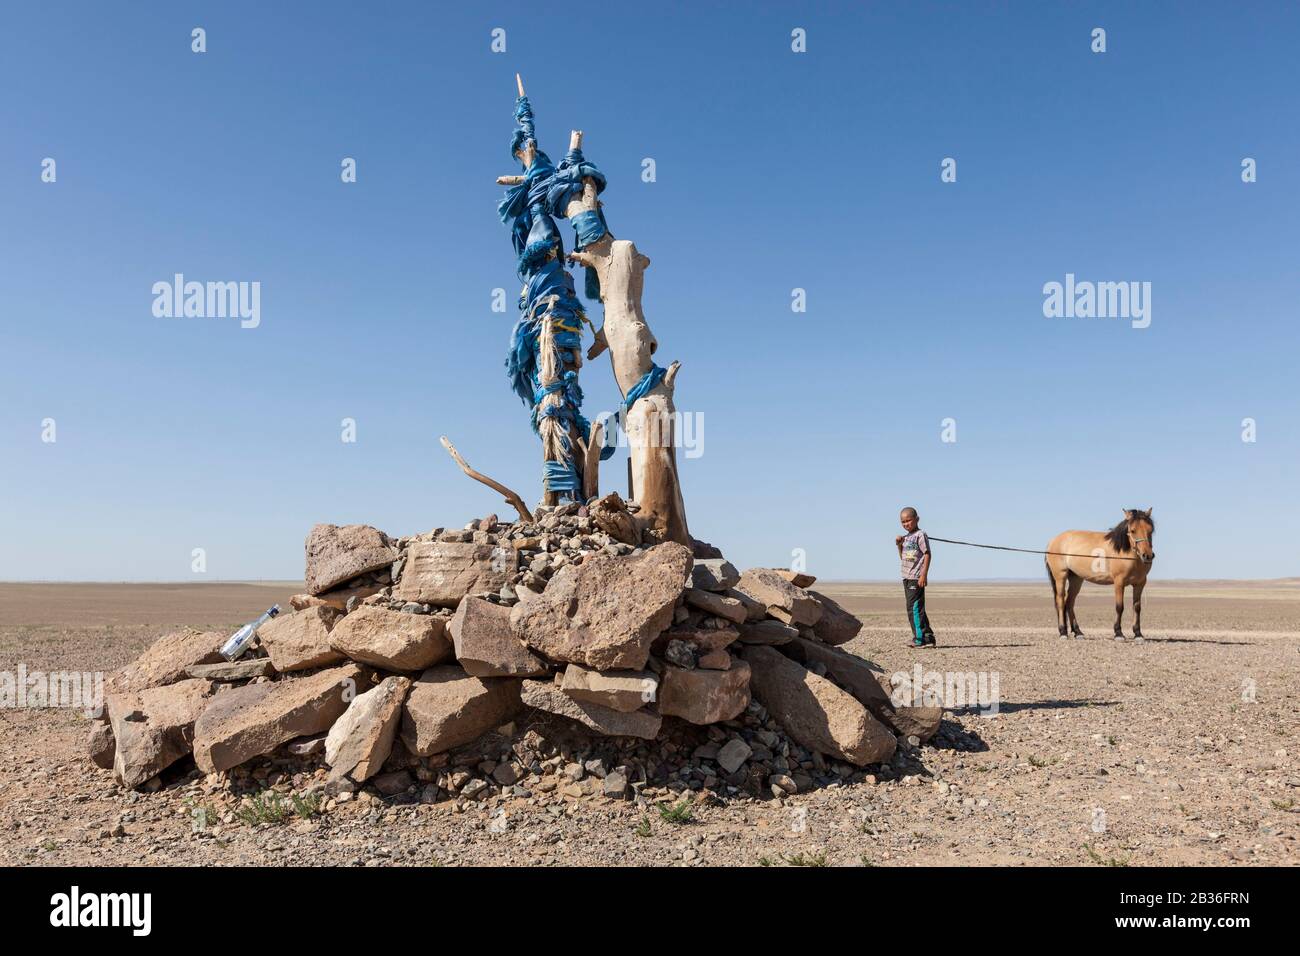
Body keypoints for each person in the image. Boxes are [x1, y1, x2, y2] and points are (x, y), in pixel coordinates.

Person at [895, 507, 936, 647]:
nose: (906, 524)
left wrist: (923, 574)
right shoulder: (905, 538)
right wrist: (899, 545)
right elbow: (903, 558)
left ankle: (919, 639)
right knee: (917, 608)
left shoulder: (920, 535)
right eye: (903, 522)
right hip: (906, 577)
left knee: (914, 608)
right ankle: (928, 637)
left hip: (916, 577)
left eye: (908, 520)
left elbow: (927, 554)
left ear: (917, 519)